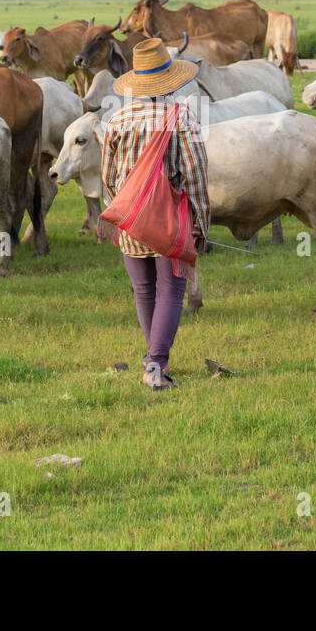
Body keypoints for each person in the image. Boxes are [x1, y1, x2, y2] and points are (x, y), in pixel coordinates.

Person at [101, 37, 211, 390]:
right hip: (169, 219)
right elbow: (194, 174)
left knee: (143, 289)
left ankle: (152, 363)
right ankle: (155, 366)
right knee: (170, 291)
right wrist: (199, 222)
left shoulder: (117, 119)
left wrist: (125, 210)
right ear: (169, 79)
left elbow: (108, 175)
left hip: (130, 217)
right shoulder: (180, 116)